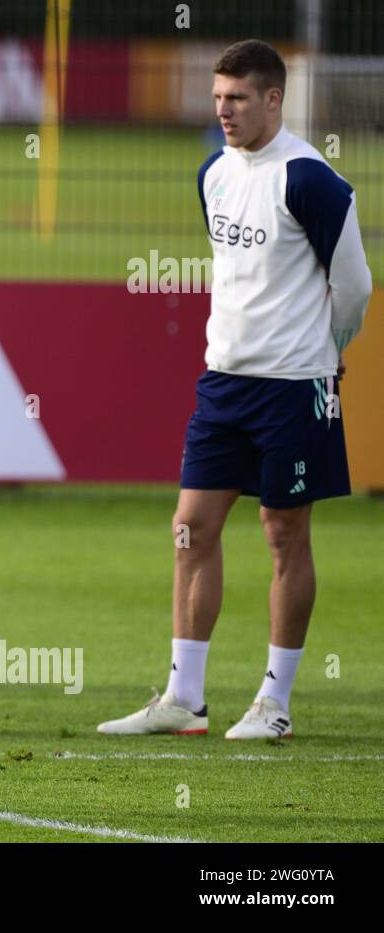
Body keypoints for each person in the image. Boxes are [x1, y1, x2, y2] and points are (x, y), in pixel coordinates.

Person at [98, 40, 371, 740]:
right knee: (190, 527)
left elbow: (355, 286)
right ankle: (184, 698)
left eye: (238, 98)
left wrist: (327, 353)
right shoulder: (213, 173)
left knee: (283, 532)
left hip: (294, 386)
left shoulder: (312, 181)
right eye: (218, 97)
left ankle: (274, 703)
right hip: (223, 383)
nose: (224, 110)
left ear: (273, 99)